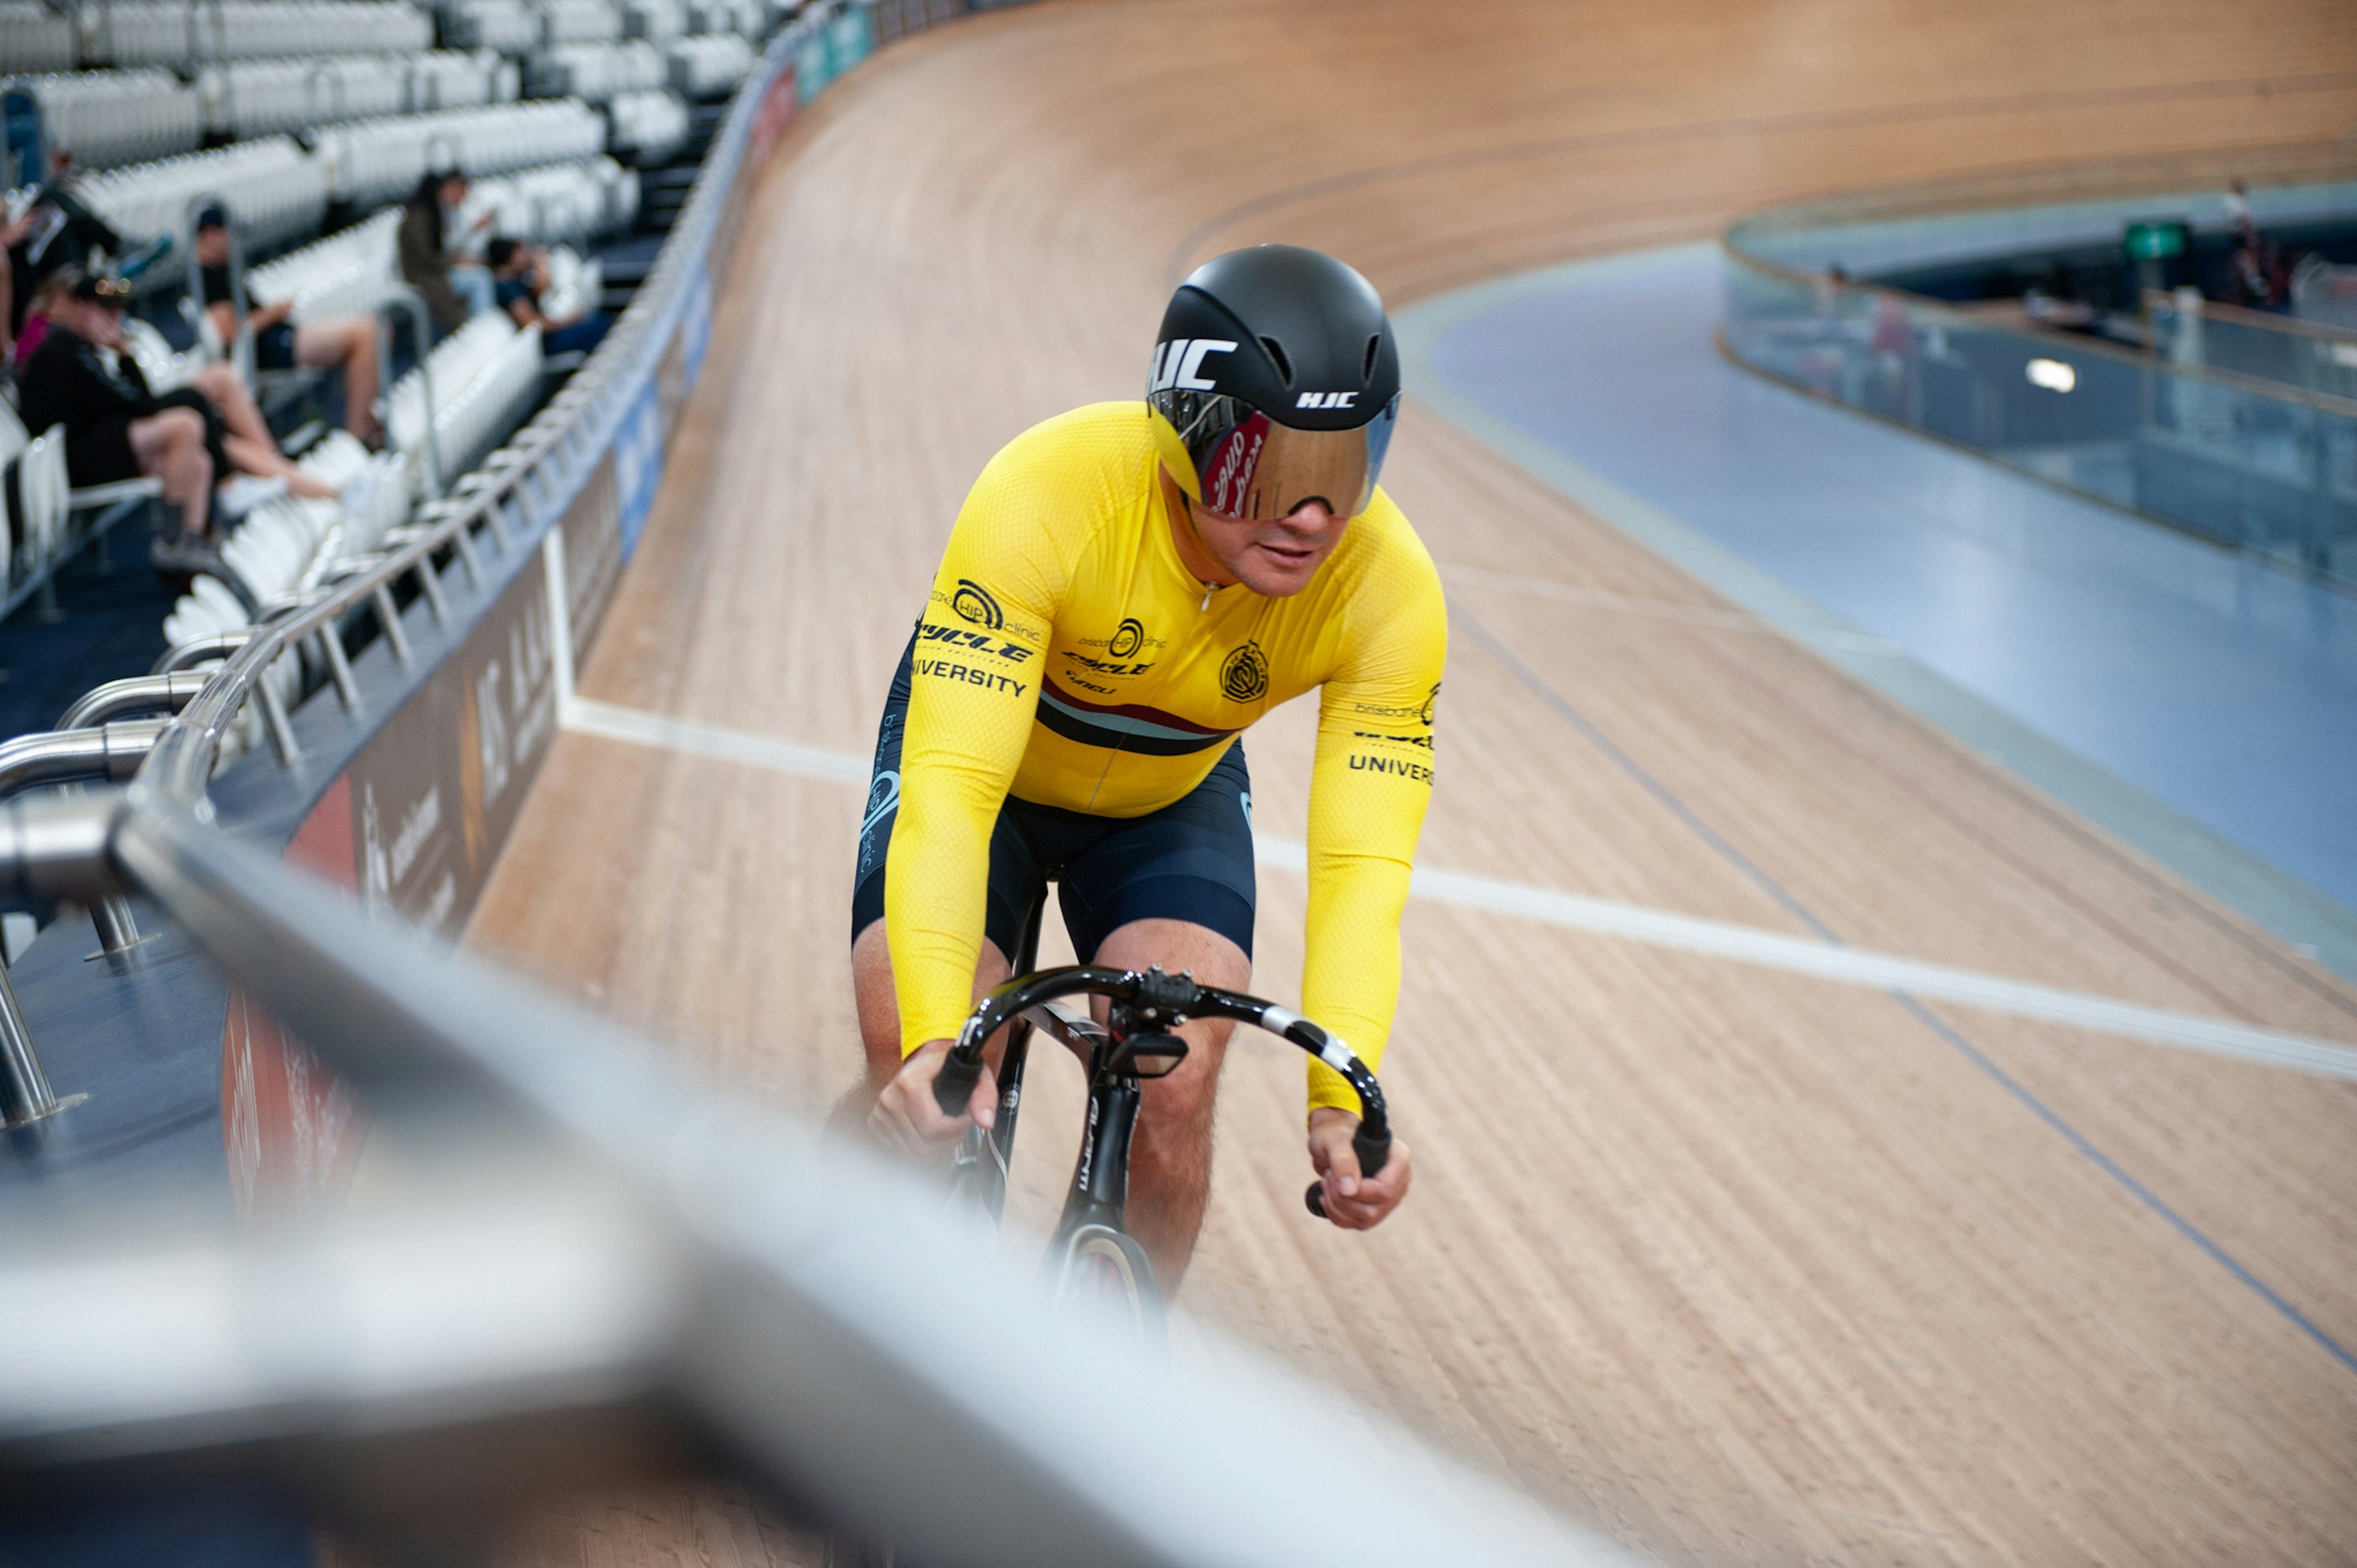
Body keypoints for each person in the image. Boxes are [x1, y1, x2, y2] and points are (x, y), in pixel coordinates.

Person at [850, 245, 1444, 1285]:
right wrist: (939, 1036)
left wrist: (1343, 1097)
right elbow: (950, 797)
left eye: (1342, 470)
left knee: (1173, 1084)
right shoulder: (1045, 495)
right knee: (918, 1059)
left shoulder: (1388, 588)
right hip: (984, 774)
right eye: (1276, 472)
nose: (1312, 518)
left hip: (1168, 794)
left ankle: (1122, 1366)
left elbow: (1363, 871)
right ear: (1186, 437)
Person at [20, 267, 336, 566]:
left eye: (117, 310)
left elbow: (133, 402)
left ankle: (194, 536)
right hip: (69, 463)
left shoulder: (80, 348)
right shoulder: (62, 350)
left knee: (199, 457)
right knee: (185, 423)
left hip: (99, 444)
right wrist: (124, 354)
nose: (115, 318)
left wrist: (122, 354)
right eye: (105, 309)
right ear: (80, 308)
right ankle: (179, 539)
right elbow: (136, 404)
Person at [193, 205, 382, 445]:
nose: (235, 243)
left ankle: (364, 431)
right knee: (365, 333)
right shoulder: (205, 278)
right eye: (229, 233)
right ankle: (360, 435)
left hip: (274, 340)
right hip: (264, 350)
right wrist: (273, 313)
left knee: (371, 330)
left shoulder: (223, 270)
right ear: (210, 233)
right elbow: (231, 333)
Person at [397, 170, 494, 336]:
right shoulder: (419, 218)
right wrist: (456, 262)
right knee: (479, 279)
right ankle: (481, 332)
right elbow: (426, 258)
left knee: (479, 274)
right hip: (425, 275)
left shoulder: (436, 213)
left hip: (435, 270)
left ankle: (481, 330)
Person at [486, 237, 610, 356]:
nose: (526, 255)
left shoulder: (515, 280)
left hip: (550, 337)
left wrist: (540, 262)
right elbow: (532, 324)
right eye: (521, 252)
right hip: (545, 344)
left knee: (597, 320)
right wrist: (568, 322)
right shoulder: (507, 287)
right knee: (597, 325)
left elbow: (543, 287)